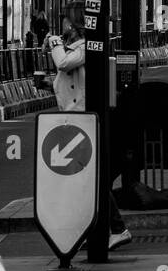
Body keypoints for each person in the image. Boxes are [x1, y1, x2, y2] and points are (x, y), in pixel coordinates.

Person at [45, 21, 131, 251]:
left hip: (83, 120)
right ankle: (98, 229)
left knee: (89, 178)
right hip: (77, 119)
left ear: (74, 27)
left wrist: (53, 42)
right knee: (84, 179)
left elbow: (63, 64)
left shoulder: (85, 48)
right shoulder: (79, 48)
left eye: (64, 23)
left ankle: (116, 228)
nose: (61, 28)